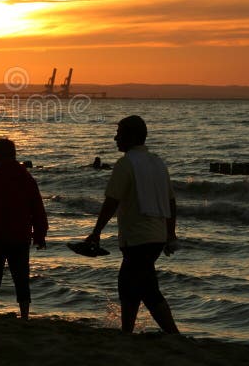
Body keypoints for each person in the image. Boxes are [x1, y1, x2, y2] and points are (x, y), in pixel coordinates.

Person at [82, 115, 179, 334]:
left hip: (138, 238)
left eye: (120, 133)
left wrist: (96, 232)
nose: (115, 137)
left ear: (132, 136)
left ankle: (173, 335)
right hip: (156, 236)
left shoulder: (126, 164)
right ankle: (128, 333)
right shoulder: (158, 162)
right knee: (135, 287)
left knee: (140, 288)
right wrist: (170, 234)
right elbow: (171, 202)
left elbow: (111, 201)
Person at [0, 138, 48, 319]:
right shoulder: (26, 176)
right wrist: (40, 234)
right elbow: (37, 208)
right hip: (20, 235)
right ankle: (24, 314)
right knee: (21, 277)